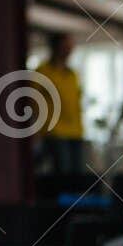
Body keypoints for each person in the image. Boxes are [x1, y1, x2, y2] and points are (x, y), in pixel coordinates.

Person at [35, 33, 85, 176]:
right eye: (66, 46)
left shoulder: (72, 74)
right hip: (55, 133)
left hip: (76, 132)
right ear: (56, 48)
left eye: (70, 47)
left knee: (77, 175)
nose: (69, 50)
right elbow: (33, 104)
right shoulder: (42, 72)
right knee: (62, 174)